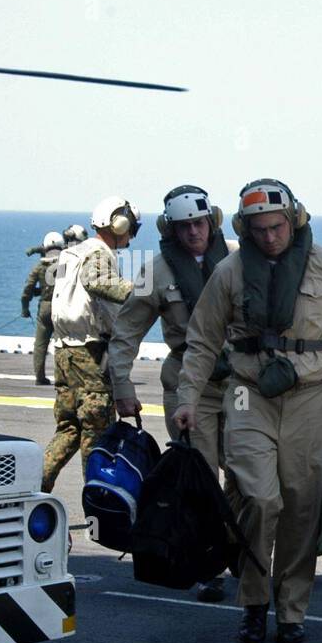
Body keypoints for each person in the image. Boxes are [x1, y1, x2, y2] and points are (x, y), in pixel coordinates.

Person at [174, 179, 322, 643]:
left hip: (311, 396)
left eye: (277, 227)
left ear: (293, 220)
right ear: (245, 228)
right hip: (248, 395)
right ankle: (255, 604)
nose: (270, 237)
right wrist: (187, 399)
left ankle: (292, 609)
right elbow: (201, 340)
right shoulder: (231, 271)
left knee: (301, 506)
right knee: (259, 499)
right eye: (258, 230)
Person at [109, 184, 236, 603]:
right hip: (186, 382)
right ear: (171, 229)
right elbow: (126, 331)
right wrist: (123, 388)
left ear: (211, 221)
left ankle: (242, 552)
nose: (193, 233)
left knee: (249, 473)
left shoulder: (239, 258)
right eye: (184, 227)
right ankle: (206, 567)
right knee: (199, 477)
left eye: (199, 223)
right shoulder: (156, 271)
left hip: (240, 381)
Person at [43, 196, 141, 492]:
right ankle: (98, 506)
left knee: (69, 429)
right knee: (97, 436)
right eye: (131, 227)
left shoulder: (71, 253)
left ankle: (32, 491)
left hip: (63, 353)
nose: (131, 234)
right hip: (90, 354)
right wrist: (142, 296)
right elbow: (97, 281)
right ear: (119, 223)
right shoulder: (98, 253)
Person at [21, 231, 64, 386]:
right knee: (63, 343)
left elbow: (27, 291)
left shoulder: (39, 267)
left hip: (44, 307)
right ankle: (62, 377)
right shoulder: (66, 265)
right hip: (62, 306)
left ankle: (40, 376)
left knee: (40, 344)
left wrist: (25, 309)